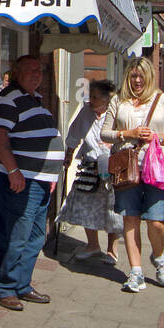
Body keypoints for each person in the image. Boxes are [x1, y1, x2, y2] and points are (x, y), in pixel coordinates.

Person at [0, 56, 65, 311]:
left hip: (40, 181)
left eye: (39, 70)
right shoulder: (8, 99)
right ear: (16, 72)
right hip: (19, 180)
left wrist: (50, 175)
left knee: (34, 236)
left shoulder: (36, 100)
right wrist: (13, 171)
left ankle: (22, 284)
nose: (37, 73)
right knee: (16, 235)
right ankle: (4, 286)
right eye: (30, 70)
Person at [101, 57, 164, 292]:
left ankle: (158, 258)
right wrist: (127, 133)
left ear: (150, 77)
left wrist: (157, 137)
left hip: (157, 168)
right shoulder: (118, 101)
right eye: (133, 75)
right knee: (130, 218)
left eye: (141, 76)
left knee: (156, 222)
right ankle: (135, 272)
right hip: (127, 168)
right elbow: (105, 133)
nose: (137, 80)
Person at [57, 80, 122, 264]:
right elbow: (74, 134)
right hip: (90, 163)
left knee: (112, 208)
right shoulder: (86, 112)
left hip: (112, 165)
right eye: (90, 96)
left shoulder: (116, 112)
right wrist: (69, 155)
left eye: (95, 97)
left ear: (107, 99)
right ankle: (93, 245)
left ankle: (112, 249)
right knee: (85, 204)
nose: (90, 100)